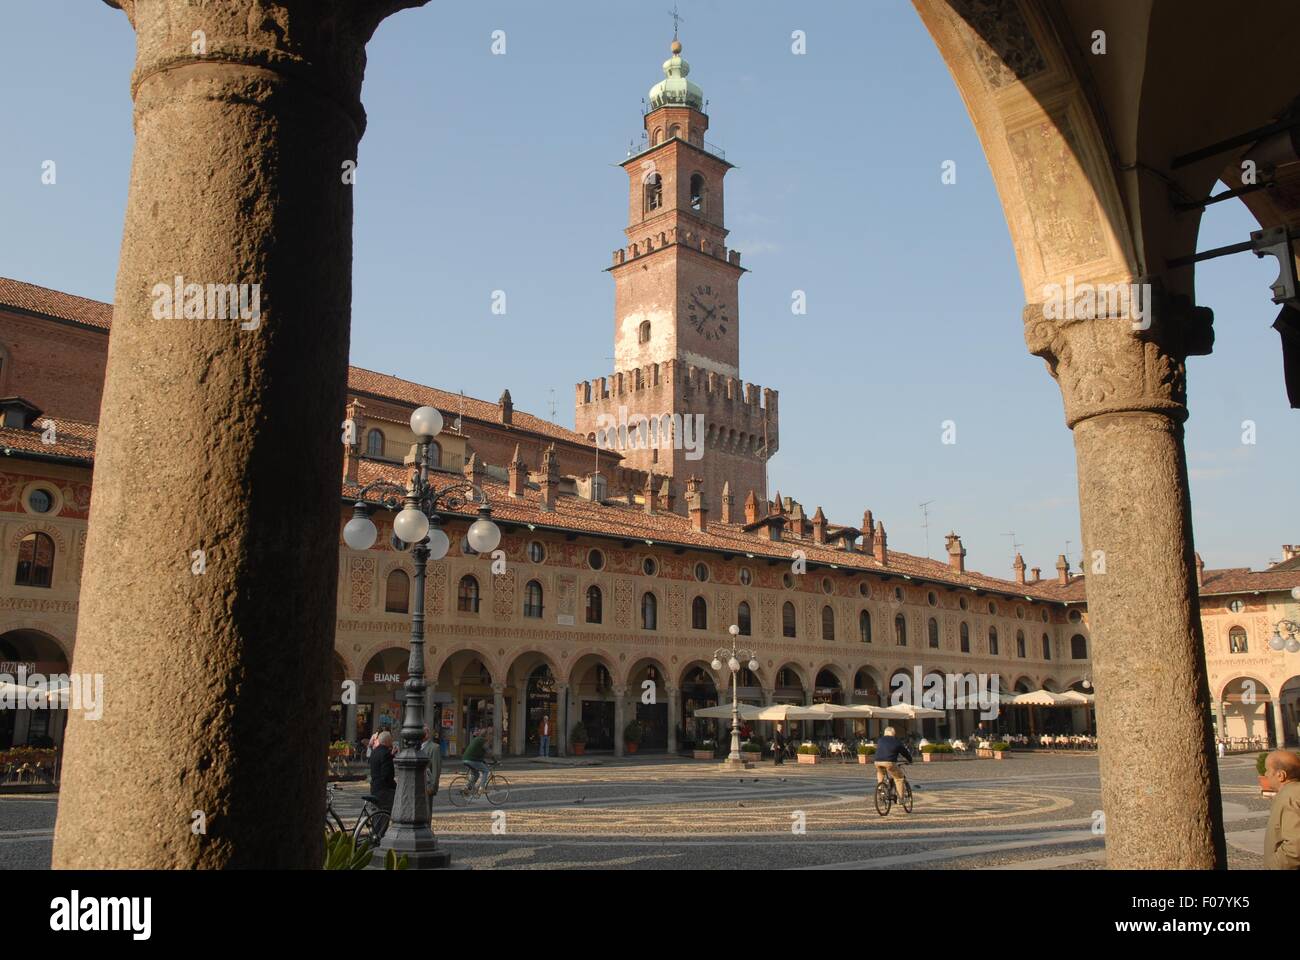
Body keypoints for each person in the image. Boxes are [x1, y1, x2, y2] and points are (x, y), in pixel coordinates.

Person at [1263, 750, 1300, 870]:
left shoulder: (1289, 797)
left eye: (1268, 770)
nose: (1265, 774)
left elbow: (1295, 849)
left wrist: (1272, 865)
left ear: (1281, 775)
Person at [873, 725, 913, 805]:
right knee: (899, 778)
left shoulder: (880, 740)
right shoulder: (896, 741)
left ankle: (880, 787)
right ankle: (900, 799)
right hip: (889, 763)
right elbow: (904, 752)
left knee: (880, 772)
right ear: (893, 733)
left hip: (877, 762)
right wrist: (910, 760)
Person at [369, 730, 396, 814]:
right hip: (384, 791)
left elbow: (380, 763)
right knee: (384, 814)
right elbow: (387, 775)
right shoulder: (386, 753)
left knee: (376, 814)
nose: (392, 742)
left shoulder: (374, 752)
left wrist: (391, 755)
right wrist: (395, 786)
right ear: (387, 741)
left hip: (374, 787)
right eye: (391, 740)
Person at [462, 727, 492, 796]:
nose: (490, 736)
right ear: (486, 735)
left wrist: (483, 761)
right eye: (489, 734)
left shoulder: (477, 739)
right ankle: (482, 788)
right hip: (471, 760)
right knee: (486, 771)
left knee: (476, 774)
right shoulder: (482, 740)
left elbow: (477, 752)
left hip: (465, 759)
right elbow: (488, 751)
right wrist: (495, 760)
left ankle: (467, 788)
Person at [420, 724, 441, 801]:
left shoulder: (434, 748)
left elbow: (436, 768)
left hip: (427, 785)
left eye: (426, 732)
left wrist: (433, 787)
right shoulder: (417, 746)